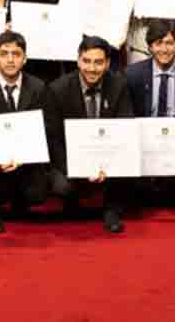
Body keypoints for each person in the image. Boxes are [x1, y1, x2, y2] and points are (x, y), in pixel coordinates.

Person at [44, 35, 133, 232]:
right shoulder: (57, 89)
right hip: (73, 158)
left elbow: (124, 130)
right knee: (62, 185)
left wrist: (106, 164)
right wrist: (79, 167)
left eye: (98, 62)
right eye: (86, 61)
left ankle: (112, 209)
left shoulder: (119, 86)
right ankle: (72, 202)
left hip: (109, 155)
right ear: (78, 60)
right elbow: (54, 139)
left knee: (130, 171)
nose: (92, 68)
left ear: (108, 63)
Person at [0, 30, 49, 233]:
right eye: (4, 54)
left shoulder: (38, 87)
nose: (10, 59)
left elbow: (39, 129)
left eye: (16, 54)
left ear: (25, 58)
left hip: (25, 157)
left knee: (38, 192)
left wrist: (21, 157)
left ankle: (19, 200)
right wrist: (2, 156)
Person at [125, 20, 175, 214]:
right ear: (150, 46)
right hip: (145, 141)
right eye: (158, 43)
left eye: (169, 43)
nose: (164, 49)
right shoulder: (132, 74)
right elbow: (128, 116)